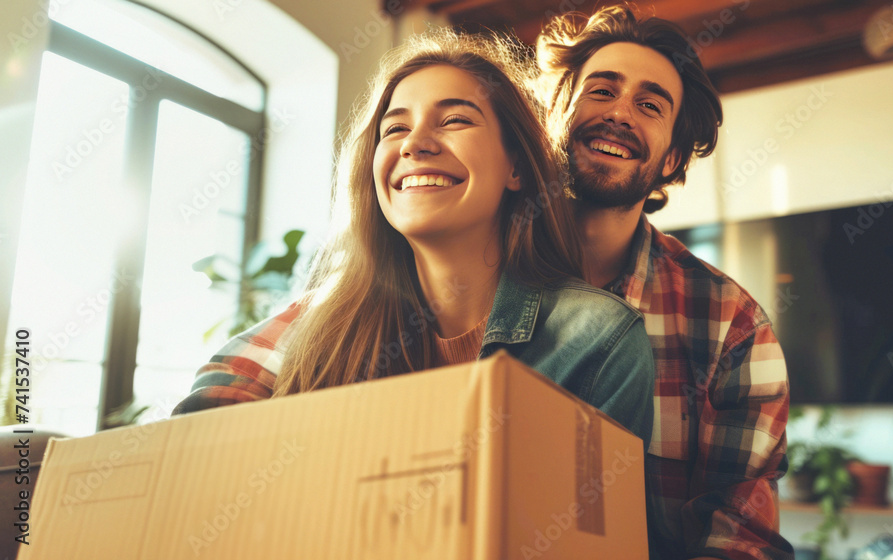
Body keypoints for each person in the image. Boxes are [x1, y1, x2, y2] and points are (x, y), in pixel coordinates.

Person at [173, 30, 655, 455]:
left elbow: (596, 533)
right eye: (396, 128)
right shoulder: (324, 323)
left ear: (516, 168)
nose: (414, 143)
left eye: (455, 120)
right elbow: (194, 445)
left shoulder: (598, 340)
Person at [535, 6, 792, 560]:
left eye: (649, 105)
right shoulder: (470, 271)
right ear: (554, 112)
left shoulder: (733, 326)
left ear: (672, 155)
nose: (621, 113)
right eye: (601, 91)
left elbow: (743, 534)